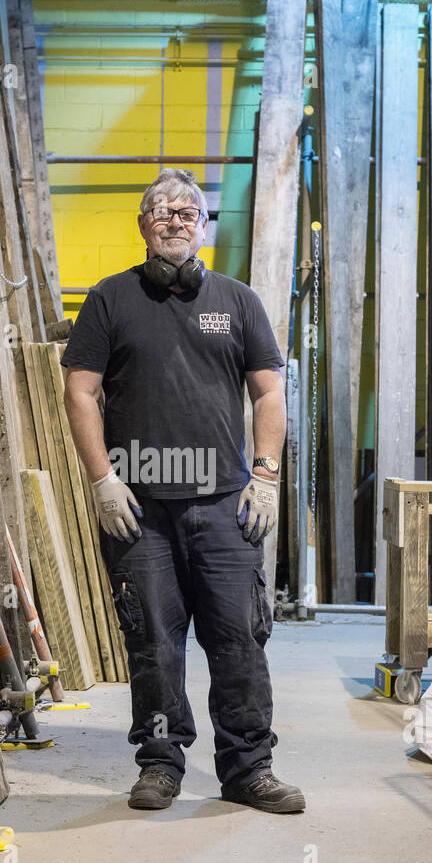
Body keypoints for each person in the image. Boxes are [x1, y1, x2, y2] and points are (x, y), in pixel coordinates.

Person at [61, 168, 305, 815]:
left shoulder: (237, 300)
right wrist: (100, 480)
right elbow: (79, 392)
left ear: (203, 225)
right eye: (161, 210)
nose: (174, 218)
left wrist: (265, 474)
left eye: (187, 210)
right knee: (153, 644)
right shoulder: (109, 299)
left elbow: (269, 392)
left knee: (237, 639)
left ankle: (247, 770)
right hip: (139, 514)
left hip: (224, 508)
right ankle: (161, 764)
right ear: (142, 225)